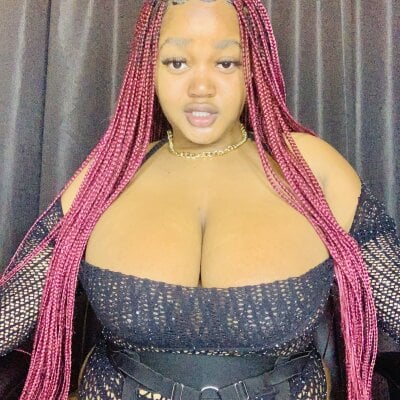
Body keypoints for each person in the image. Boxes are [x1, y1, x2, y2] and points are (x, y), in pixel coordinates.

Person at [0, 0, 399, 399]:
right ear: (149, 69)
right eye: (177, 62)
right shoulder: (108, 174)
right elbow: (11, 314)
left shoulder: (310, 169)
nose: (201, 87)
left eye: (226, 63)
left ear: (253, 68)